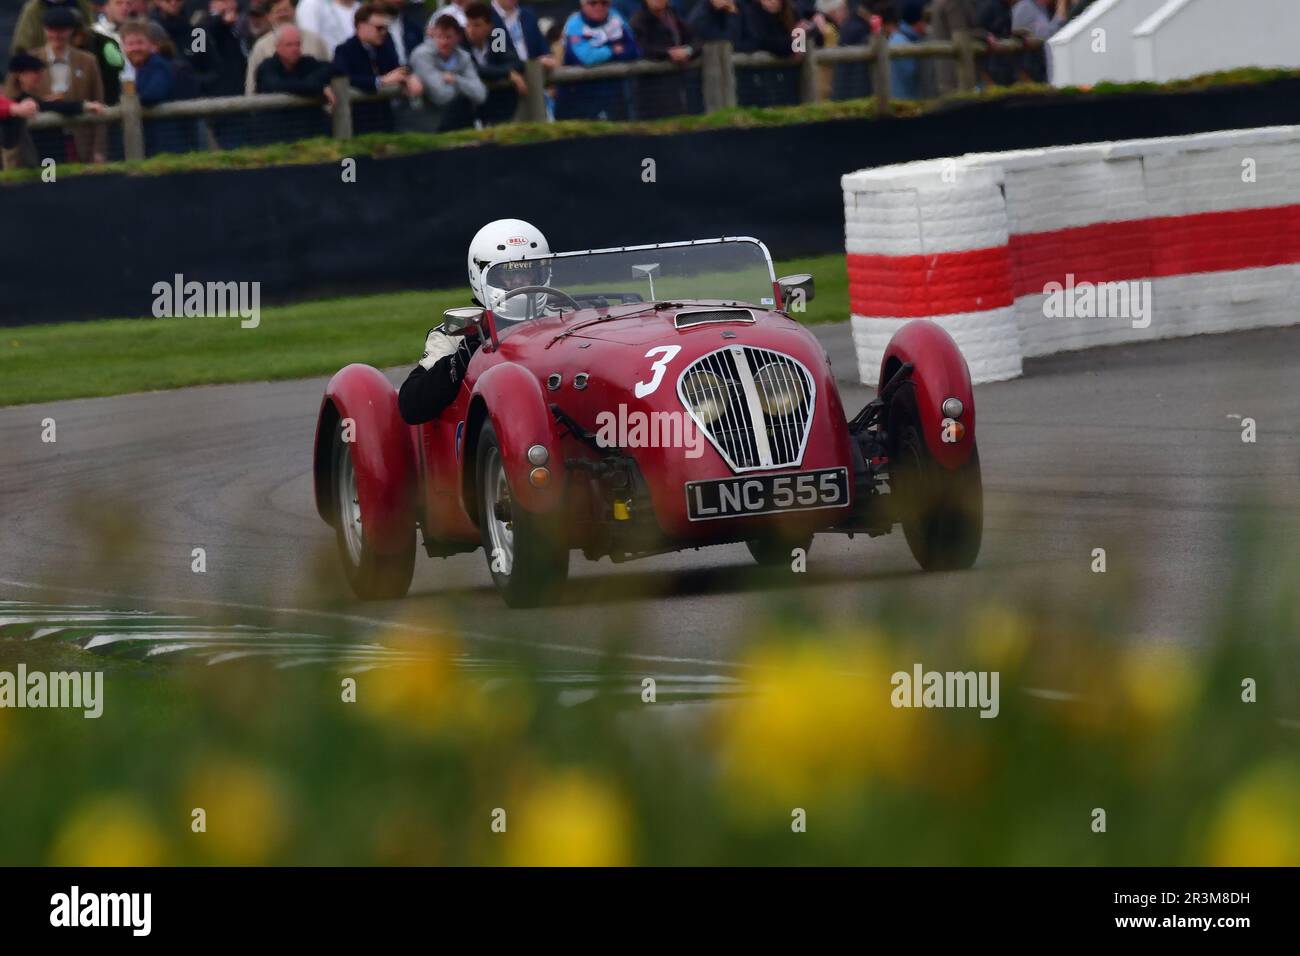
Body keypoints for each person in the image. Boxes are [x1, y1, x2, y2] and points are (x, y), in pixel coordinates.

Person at [399, 218, 550, 425]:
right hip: (491, 427)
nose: (520, 282)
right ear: (481, 275)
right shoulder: (455, 333)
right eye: (508, 273)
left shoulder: (561, 317)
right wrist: (460, 360)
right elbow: (411, 406)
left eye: (527, 271)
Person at [19, 6, 108, 163]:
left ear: (71, 31)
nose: (56, 35)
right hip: (42, 143)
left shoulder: (88, 61)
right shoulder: (29, 60)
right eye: (51, 30)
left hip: (81, 144)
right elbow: (17, 99)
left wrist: (99, 150)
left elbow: (98, 102)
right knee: (49, 183)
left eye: (61, 30)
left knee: (81, 186)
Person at [1, 51, 106, 169]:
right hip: (19, 161)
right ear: (20, 75)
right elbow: (52, 106)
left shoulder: (26, 97)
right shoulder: (19, 100)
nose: (39, 76)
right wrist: (84, 106)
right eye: (35, 72)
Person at [332, 2, 420, 131]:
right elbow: (345, 78)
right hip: (359, 121)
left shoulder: (385, 45)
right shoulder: (344, 51)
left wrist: (408, 76)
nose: (384, 32)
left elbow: (395, 67)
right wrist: (380, 81)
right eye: (379, 28)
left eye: (386, 28)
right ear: (361, 26)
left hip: (386, 119)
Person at [555, 0, 639, 120]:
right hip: (579, 98)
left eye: (604, 3)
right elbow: (586, 58)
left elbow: (634, 50)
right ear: (583, 5)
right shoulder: (574, 23)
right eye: (593, 3)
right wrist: (612, 50)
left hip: (614, 96)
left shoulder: (616, 18)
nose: (599, 7)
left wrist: (599, 51)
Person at [408, 13, 484, 131]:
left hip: (460, 124)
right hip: (426, 127)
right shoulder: (421, 55)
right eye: (439, 37)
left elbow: (480, 94)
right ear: (432, 35)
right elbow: (441, 95)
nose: (443, 42)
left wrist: (455, 79)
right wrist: (466, 87)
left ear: (458, 37)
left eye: (448, 37)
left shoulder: (464, 56)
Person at [245, 0, 329, 94]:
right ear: (269, 16)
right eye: (278, 11)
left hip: (313, 105)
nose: (282, 15)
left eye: (285, 10)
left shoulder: (315, 40)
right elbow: (252, 85)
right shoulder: (261, 47)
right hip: (275, 106)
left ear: (294, 11)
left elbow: (329, 72)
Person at [630, 0, 696, 119]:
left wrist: (687, 51)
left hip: (678, 86)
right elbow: (642, 48)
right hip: (651, 91)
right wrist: (668, 53)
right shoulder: (638, 21)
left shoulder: (673, 17)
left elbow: (696, 40)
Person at [461, 2, 523, 125]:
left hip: (500, 107)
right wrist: (507, 73)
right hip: (469, 109)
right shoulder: (461, 43)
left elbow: (516, 63)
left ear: (489, 26)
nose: (471, 30)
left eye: (477, 25)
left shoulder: (496, 37)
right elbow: (473, 70)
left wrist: (505, 71)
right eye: (468, 25)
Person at [255, 22, 335, 100]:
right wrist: (317, 87)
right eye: (289, 45)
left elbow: (331, 68)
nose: (295, 49)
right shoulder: (267, 66)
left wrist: (313, 80)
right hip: (277, 112)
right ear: (277, 47)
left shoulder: (306, 62)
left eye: (298, 44)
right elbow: (279, 85)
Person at [10, 0, 98, 56]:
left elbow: (92, 38)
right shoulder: (33, 10)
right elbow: (21, 49)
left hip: (78, 70)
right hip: (43, 73)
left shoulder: (82, 5)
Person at [889, 0, 928, 100]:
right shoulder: (904, 44)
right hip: (907, 106)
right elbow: (918, 76)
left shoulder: (897, 38)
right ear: (919, 21)